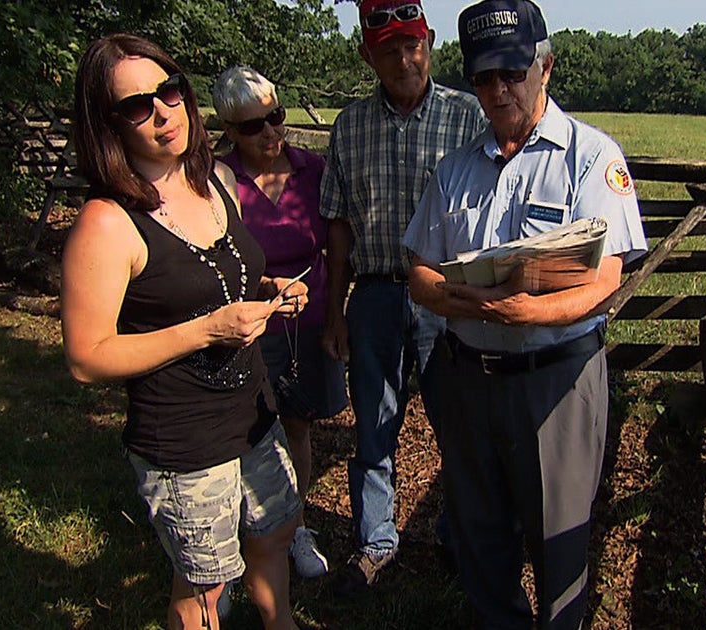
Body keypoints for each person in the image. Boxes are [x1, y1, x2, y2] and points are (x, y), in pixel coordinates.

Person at [401, 1, 648, 627]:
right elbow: (419, 270)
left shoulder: (590, 157)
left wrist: (527, 313)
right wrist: (453, 298)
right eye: (484, 78)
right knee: (480, 536)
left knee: (558, 541)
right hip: (468, 380)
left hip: (555, 380)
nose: (498, 91)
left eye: (512, 73)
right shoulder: (455, 170)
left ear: (546, 67)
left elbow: (606, 280)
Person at [64, 33, 309, 630]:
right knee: (205, 586)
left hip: (253, 412)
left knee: (275, 534)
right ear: (108, 124)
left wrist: (270, 289)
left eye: (169, 91)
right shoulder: (107, 222)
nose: (162, 112)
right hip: (182, 435)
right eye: (136, 105)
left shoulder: (215, 181)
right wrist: (206, 331)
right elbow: (86, 357)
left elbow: (219, 277)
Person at [319, 0, 486, 596]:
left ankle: (457, 534)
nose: (403, 59)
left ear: (430, 42)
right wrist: (336, 312)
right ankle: (375, 542)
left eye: (411, 45)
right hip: (376, 294)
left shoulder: (468, 117)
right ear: (368, 56)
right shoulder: (350, 125)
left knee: (458, 423)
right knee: (374, 425)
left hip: (447, 294)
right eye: (388, 50)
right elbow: (339, 224)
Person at [212, 66, 349, 580]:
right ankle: (237, 540)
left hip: (307, 323)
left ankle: (295, 527)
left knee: (298, 427)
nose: (271, 132)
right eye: (254, 126)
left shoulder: (313, 169)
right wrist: (264, 289)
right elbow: (215, 260)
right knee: (243, 434)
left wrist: (335, 315)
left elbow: (338, 243)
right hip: (247, 327)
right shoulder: (219, 180)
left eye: (276, 117)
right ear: (230, 131)